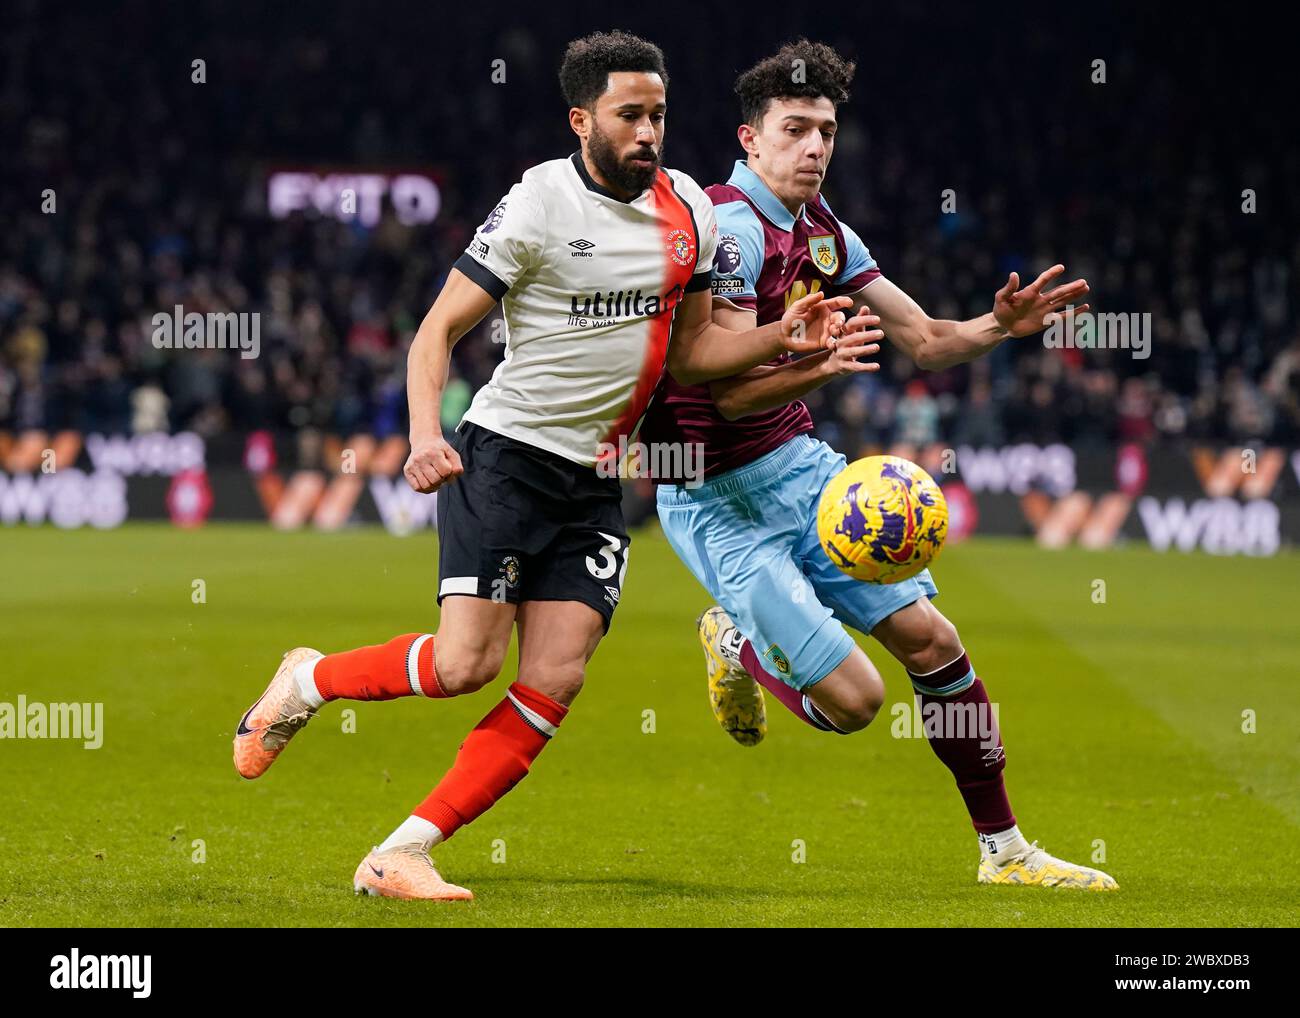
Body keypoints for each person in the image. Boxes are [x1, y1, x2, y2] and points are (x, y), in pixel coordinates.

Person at [231, 30, 868, 901]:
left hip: (596, 477)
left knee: (556, 675)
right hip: (507, 457)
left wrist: (781, 340)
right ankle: (309, 678)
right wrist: (425, 435)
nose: (650, 133)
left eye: (660, 115)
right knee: (465, 668)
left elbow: (693, 356)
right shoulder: (538, 205)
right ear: (582, 121)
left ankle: (402, 852)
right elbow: (436, 331)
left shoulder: (691, 209)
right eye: (630, 116)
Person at [640, 39, 1116, 890]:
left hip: (797, 468)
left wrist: (998, 326)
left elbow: (926, 339)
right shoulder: (725, 231)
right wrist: (815, 368)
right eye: (795, 130)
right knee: (855, 705)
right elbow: (719, 397)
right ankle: (736, 639)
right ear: (751, 140)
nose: (816, 147)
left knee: (935, 641)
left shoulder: (823, 233)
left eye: (826, 130)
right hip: (713, 494)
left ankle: (1005, 853)